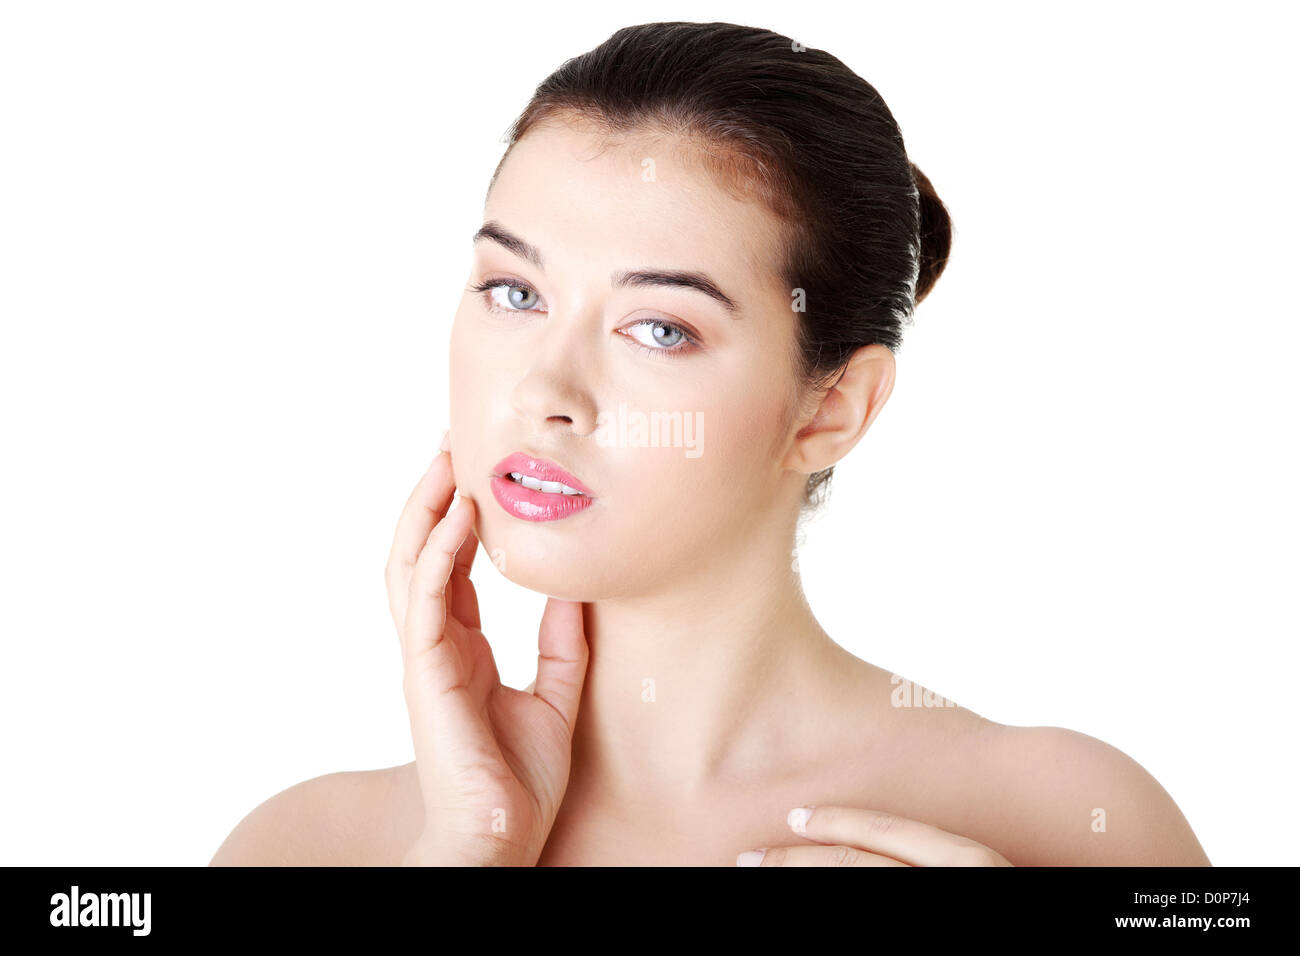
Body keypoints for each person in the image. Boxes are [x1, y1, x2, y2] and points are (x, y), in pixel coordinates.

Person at [211, 21, 1210, 866]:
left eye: (659, 327)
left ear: (830, 409)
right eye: (514, 292)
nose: (543, 390)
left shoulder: (1077, 819)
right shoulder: (307, 845)